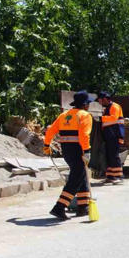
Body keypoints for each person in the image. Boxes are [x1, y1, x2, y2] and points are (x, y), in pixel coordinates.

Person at [43, 90, 93, 220]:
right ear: (85, 104)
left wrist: (46, 145)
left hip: (66, 151)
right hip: (79, 150)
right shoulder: (85, 115)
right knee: (75, 179)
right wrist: (87, 151)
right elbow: (84, 135)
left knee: (81, 176)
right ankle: (59, 207)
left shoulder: (64, 115)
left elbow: (50, 131)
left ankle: (83, 207)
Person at [97, 91, 125, 184]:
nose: (99, 103)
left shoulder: (115, 106)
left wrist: (101, 118)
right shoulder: (107, 108)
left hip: (115, 136)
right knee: (109, 156)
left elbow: (113, 118)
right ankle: (111, 176)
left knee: (114, 156)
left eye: (100, 101)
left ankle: (119, 177)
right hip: (109, 136)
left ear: (104, 99)